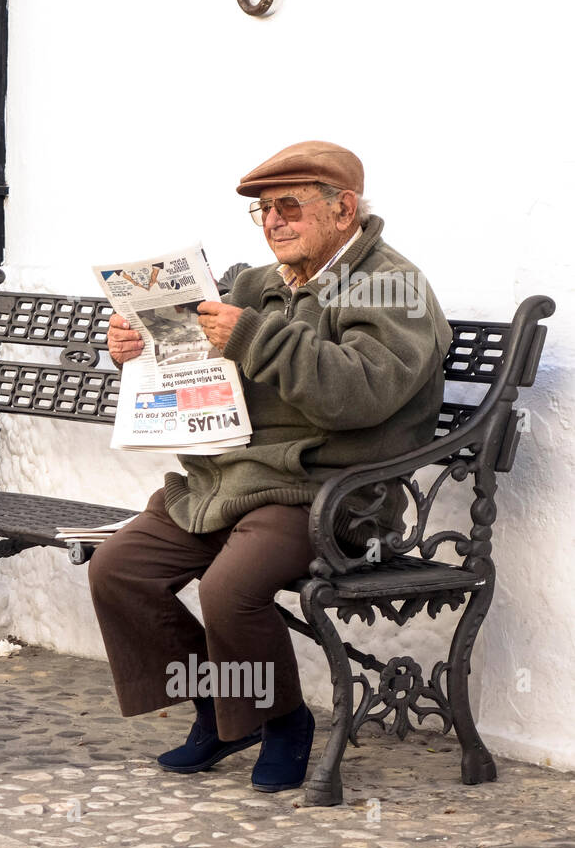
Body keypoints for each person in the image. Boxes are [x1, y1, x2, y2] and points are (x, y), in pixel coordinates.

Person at [88, 140, 453, 792]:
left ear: (344, 209)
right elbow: (197, 366)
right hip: (236, 482)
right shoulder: (255, 284)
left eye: (290, 206)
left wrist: (253, 337)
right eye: (263, 211)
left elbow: (360, 393)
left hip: (332, 493)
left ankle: (283, 721)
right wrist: (133, 348)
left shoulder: (391, 287)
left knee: (229, 589)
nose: (274, 222)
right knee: (120, 571)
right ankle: (225, 711)